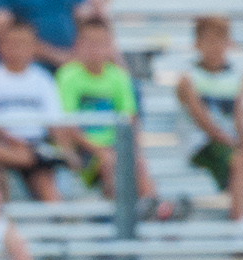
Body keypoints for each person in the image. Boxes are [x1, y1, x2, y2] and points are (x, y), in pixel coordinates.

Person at [54, 16, 169, 217]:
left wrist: (125, 149)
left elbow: (130, 120)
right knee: (112, 162)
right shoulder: (67, 76)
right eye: (89, 42)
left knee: (135, 162)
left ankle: (149, 210)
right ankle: (138, 215)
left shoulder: (119, 77)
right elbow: (68, 126)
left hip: (113, 148)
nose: (95, 48)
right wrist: (101, 150)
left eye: (100, 42)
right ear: (78, 45)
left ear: (109, 46)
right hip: (83, 150)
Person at [176, 14, 243, 232]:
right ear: (198, 44)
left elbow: (239, 118)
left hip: (230, 142)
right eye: (209, 41)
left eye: (220, 41)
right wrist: (237, 145)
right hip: (202, 145)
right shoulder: (188, 79)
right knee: (242, 160)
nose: (215, 47)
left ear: (228, 44)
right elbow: (203, 121)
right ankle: (238, 227)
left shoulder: (238, 77)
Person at [0, 18, 67, 203]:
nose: (17, 48)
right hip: (1, 146)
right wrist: (11, 140)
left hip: (36, 147)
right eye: (12, 43)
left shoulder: (43, 80)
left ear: (33, 47)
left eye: (23, 43)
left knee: (47, 186)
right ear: (0, 46)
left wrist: (65, 151)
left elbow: (54, 123)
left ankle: (60, 227)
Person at [0, 0, 106, 68]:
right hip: (23, 68)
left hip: (71, 65)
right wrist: (58, 56)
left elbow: (87, 20)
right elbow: (2, 30)